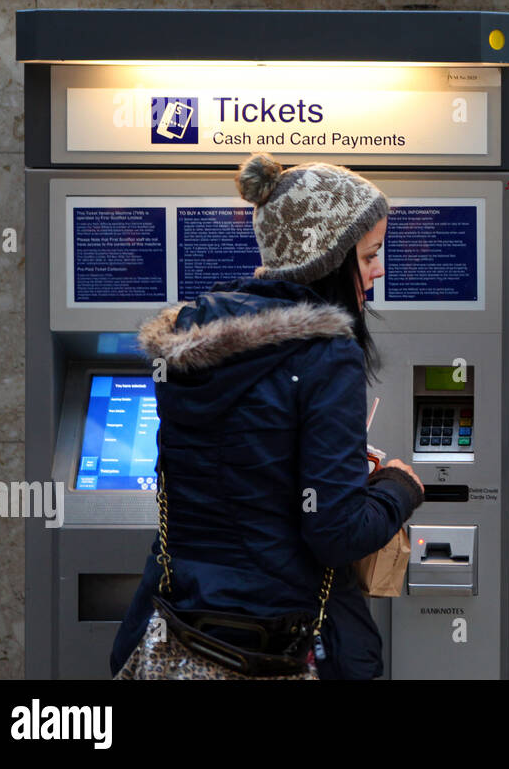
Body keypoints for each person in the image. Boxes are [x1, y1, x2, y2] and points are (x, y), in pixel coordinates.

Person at [110, 152, 424, 680]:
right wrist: (398, 486)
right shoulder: (326, 353)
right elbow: (335, 531)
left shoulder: (192, 339)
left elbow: (239, 474)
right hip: (274, 644)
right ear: (326, 258)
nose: (379, 269)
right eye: (369, 255)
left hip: (183, 629)